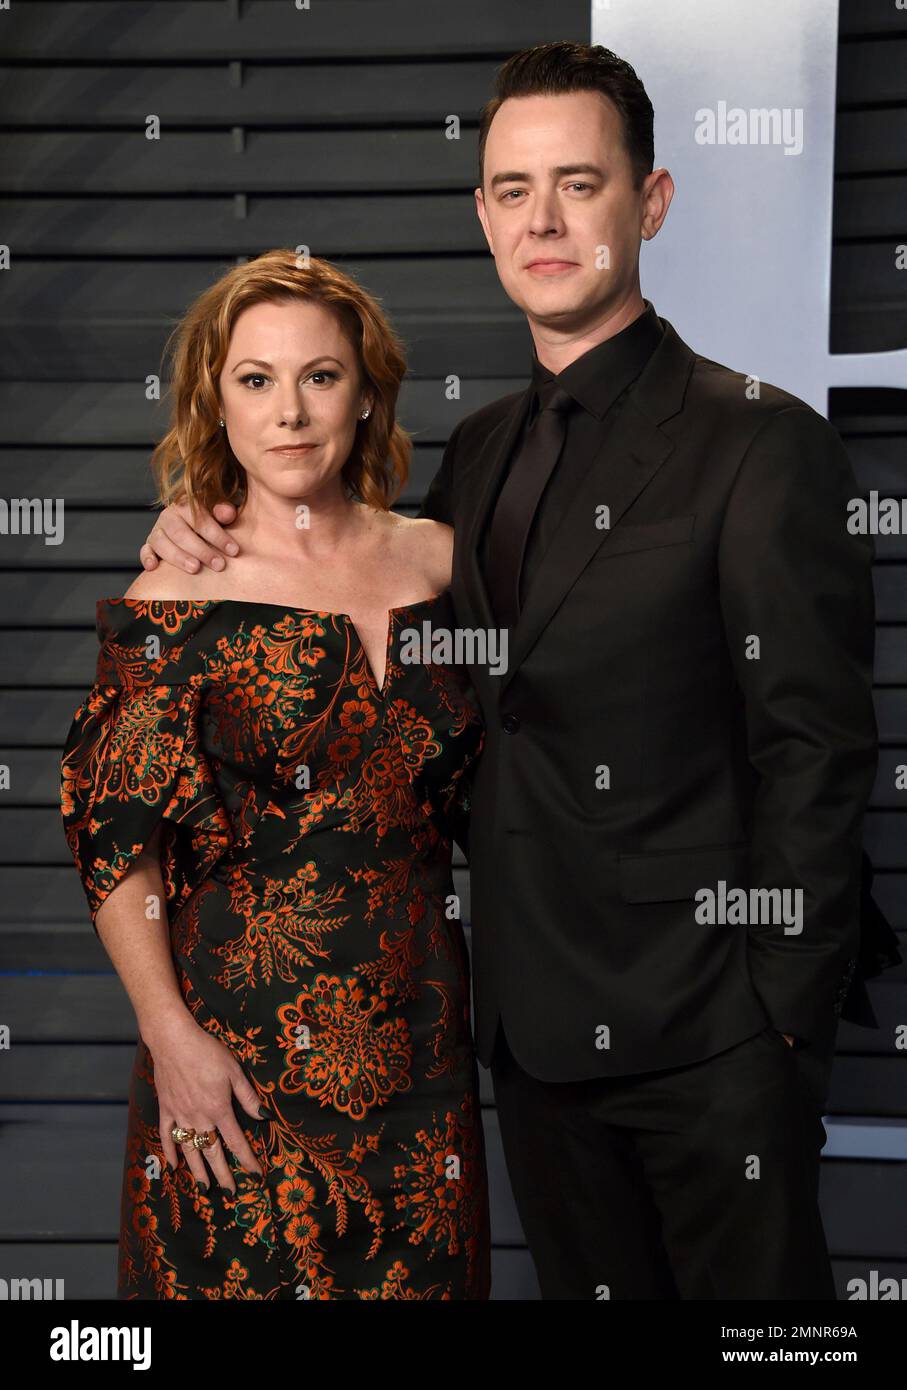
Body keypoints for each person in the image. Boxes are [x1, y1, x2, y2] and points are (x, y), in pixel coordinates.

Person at [134, 45, 888, 1300]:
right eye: (512, 189)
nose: (542, 220)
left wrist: (778, 1021)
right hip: (525, 1037)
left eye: (578, 184)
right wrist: (196, 526)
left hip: (713, 1034)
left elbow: (815, 746)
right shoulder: (476, 457)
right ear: (481, 214)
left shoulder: (759, 442)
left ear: (648, 203)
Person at [60, 249, 491, 1300]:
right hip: (236, 1059)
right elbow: (114, 839)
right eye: (255, 379)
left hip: (420, 1047)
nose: (289, 412)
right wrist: (171, 1039)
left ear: (368, 392)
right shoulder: (176, 587)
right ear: (215, 404)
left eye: (320, 376)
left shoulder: (448, 561)